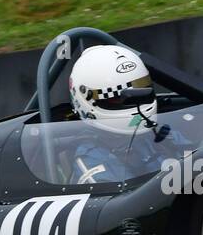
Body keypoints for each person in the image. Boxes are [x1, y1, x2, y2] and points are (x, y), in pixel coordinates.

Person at [66, 44, 173, 184]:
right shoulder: (91, 158)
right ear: (86, 99)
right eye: (117, 97)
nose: (137, 103)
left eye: (142, 90)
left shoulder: (159, 133)